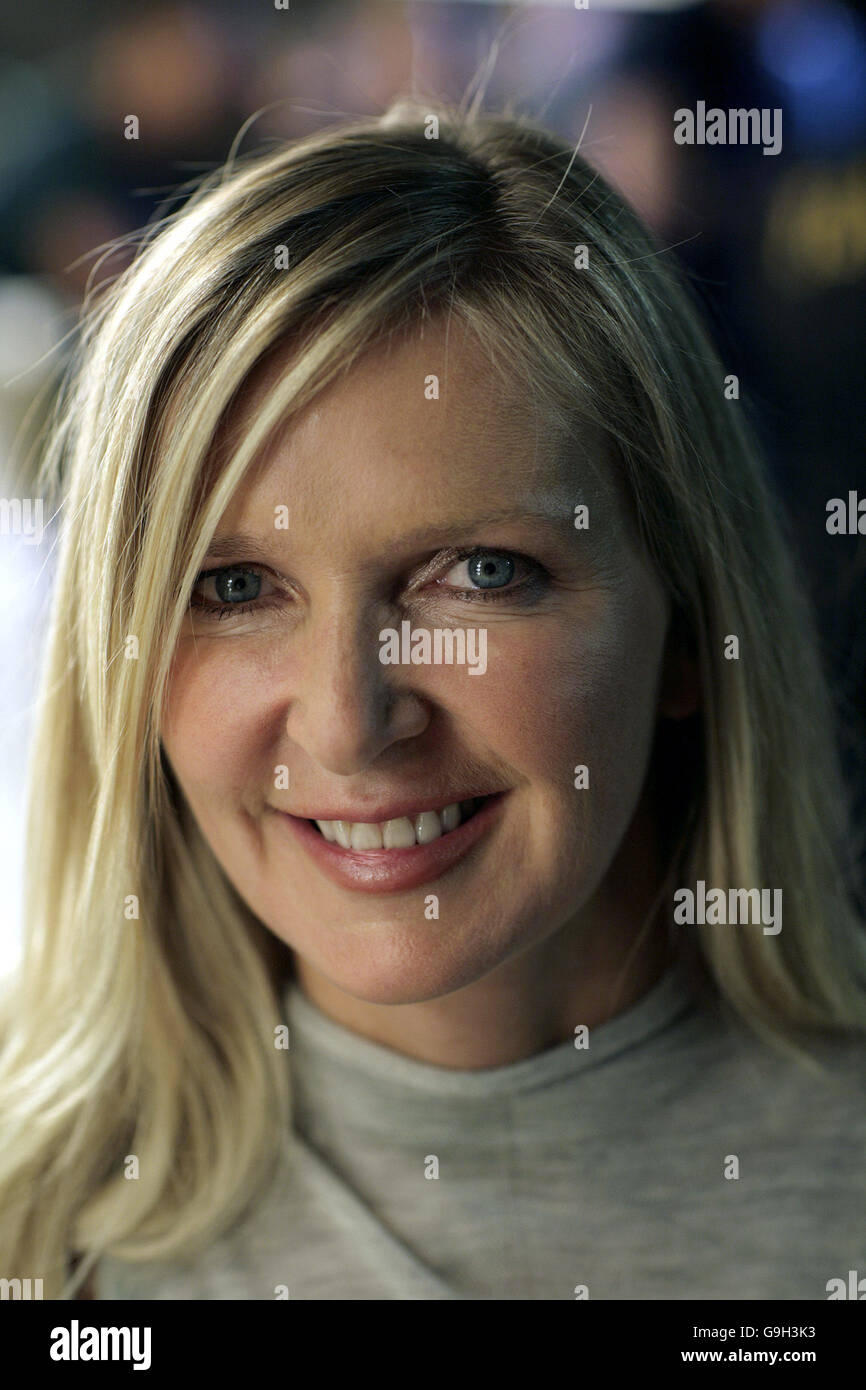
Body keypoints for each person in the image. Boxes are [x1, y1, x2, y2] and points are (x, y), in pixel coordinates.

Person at [1, 99, 864, 1301]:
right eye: (234, 586)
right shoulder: (38, 1236)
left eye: (480, 573)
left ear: (687, 626)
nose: (347, 722)